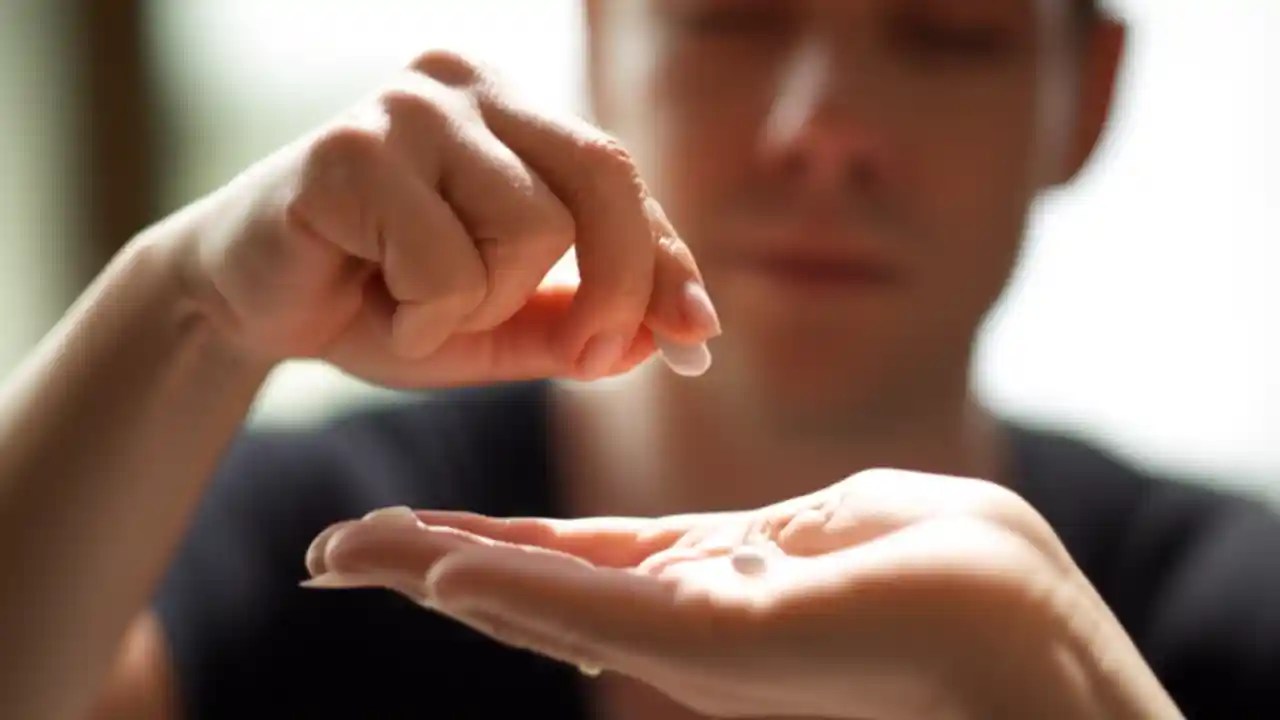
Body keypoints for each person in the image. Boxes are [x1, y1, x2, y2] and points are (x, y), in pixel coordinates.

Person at [0, 0, 1276, 717]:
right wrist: (184, 304)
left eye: (947, 32)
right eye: (732, 14)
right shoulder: (316, 555)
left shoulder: (1230, 617)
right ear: (603, 40)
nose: (819, 129)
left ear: (1088, 95)